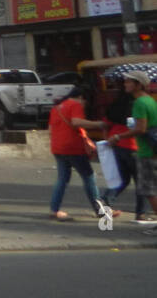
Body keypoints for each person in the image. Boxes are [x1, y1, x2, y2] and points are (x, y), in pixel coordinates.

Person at [48, 85, 109, 221]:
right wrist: (98, 124)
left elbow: (50, 130)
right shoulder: (75, 105)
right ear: (81, 97)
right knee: (89, 178)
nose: (84, 104)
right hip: (73, 148)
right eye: (85, 101)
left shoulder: (56, 107)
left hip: (58, 147)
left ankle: (54, 209)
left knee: (62, 179)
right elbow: (76, 122)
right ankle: (100, 211)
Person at [101, 87, 142, 218]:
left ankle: (106, 200)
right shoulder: (137, 107)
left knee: (123, 179)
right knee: (141, 182)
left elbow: (105, 124)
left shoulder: (115, 106)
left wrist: (107, 139)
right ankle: (141, 213)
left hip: (116, 145)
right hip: (133, 145)